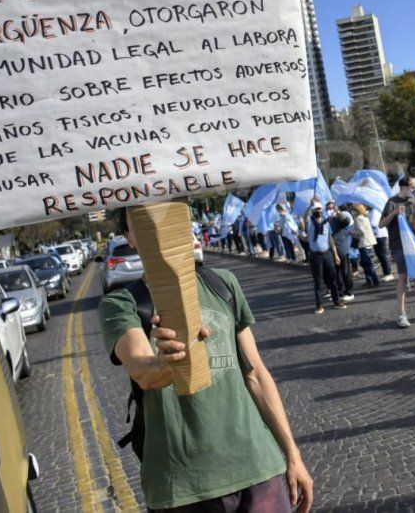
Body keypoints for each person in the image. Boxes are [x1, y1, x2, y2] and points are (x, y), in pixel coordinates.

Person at [99, 220, 314, 513]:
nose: (161, 229)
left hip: (259, 469)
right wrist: (167, 361)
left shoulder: (222, 283)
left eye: (172, 217)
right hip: (183, 488)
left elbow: (256, 374)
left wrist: (292, 455)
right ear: (130, 236)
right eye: (145, 222)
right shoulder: (121, 304)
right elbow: (142, 371)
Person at [381, 177, 415, 328]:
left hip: (414, 243)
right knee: (403, 278)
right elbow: (381, 224)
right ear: (403, 187)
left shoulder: (412, 201)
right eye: (412, 187)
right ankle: (401, 315)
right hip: (399, 245)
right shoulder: (391, 202)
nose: (414, 190)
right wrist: (394, 213)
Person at [306, 203, 346, 314]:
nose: (318, 210)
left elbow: (330, 239)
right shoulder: (309, 223)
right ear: (312, 211)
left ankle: (336, 301)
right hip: (315, 256)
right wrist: (309, 206)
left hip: (327, 254)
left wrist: (335, 255)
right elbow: (305, 216)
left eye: (319, 208)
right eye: (316, 209)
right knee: (318, 282)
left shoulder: (326, 223)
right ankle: (319, 305)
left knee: (333, 280)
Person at [351, 204, 380, 287]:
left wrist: (352, 232)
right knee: (365, 263)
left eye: (354, 210)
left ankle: (374, 280)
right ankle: (369, 280)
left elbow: (361, 231)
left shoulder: (359, 218)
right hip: (367, 243)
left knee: (367, 263)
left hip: (364, 243)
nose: (352, 212)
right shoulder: (364, 217)